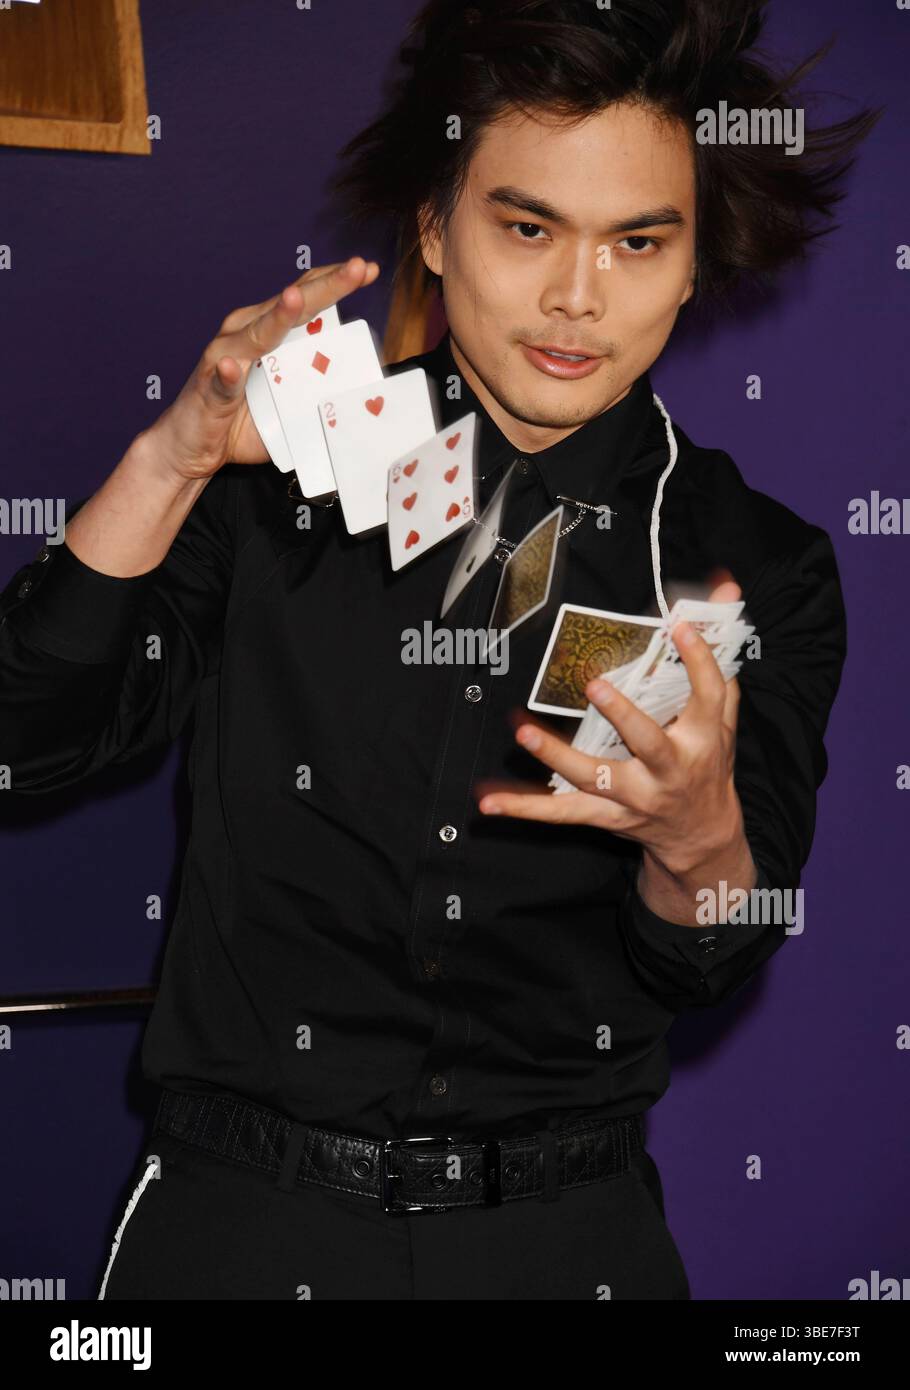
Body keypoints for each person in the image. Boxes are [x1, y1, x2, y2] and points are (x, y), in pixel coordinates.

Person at [0, 0, 875, 1300]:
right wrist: (171, 456)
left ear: (692, 264)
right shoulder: (274, 465)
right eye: (526, 228)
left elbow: (717, 950)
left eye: (638, 242)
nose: (576, 295)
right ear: (431, 223)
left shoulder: (760, 561)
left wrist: (696, 839)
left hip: (567, 1234)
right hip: (236, 1224)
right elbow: (24, 734)